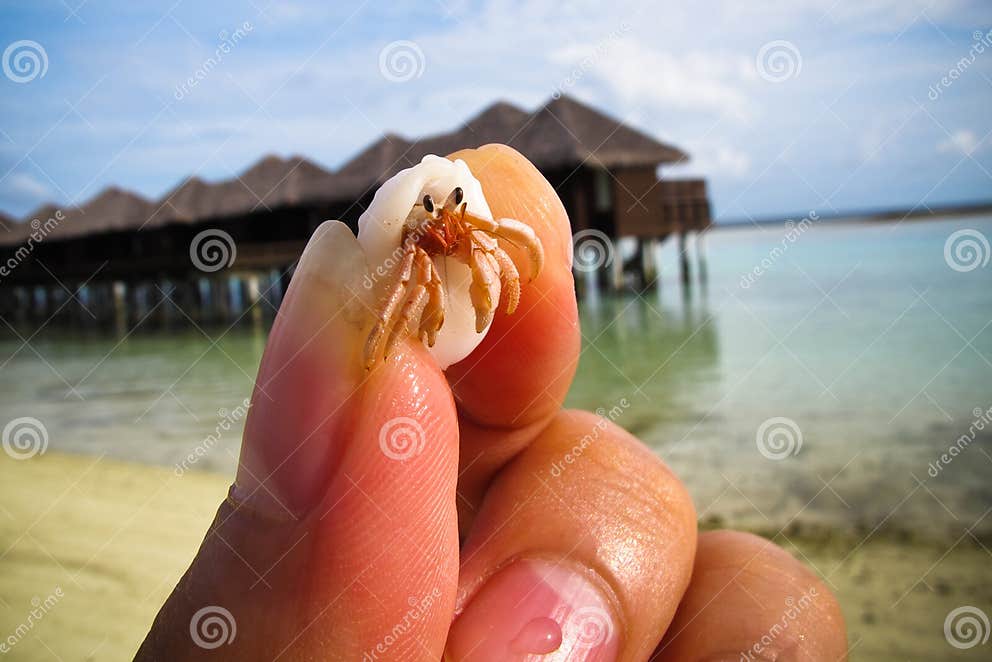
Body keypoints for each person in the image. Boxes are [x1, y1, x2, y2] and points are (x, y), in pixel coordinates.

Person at [136, 145, 847, 661]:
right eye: (438, 211)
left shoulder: (458, 222)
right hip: (399, 268)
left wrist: (483, 258)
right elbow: (406, 282)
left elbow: (510, 254)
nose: (448, 221)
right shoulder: (414, 239)